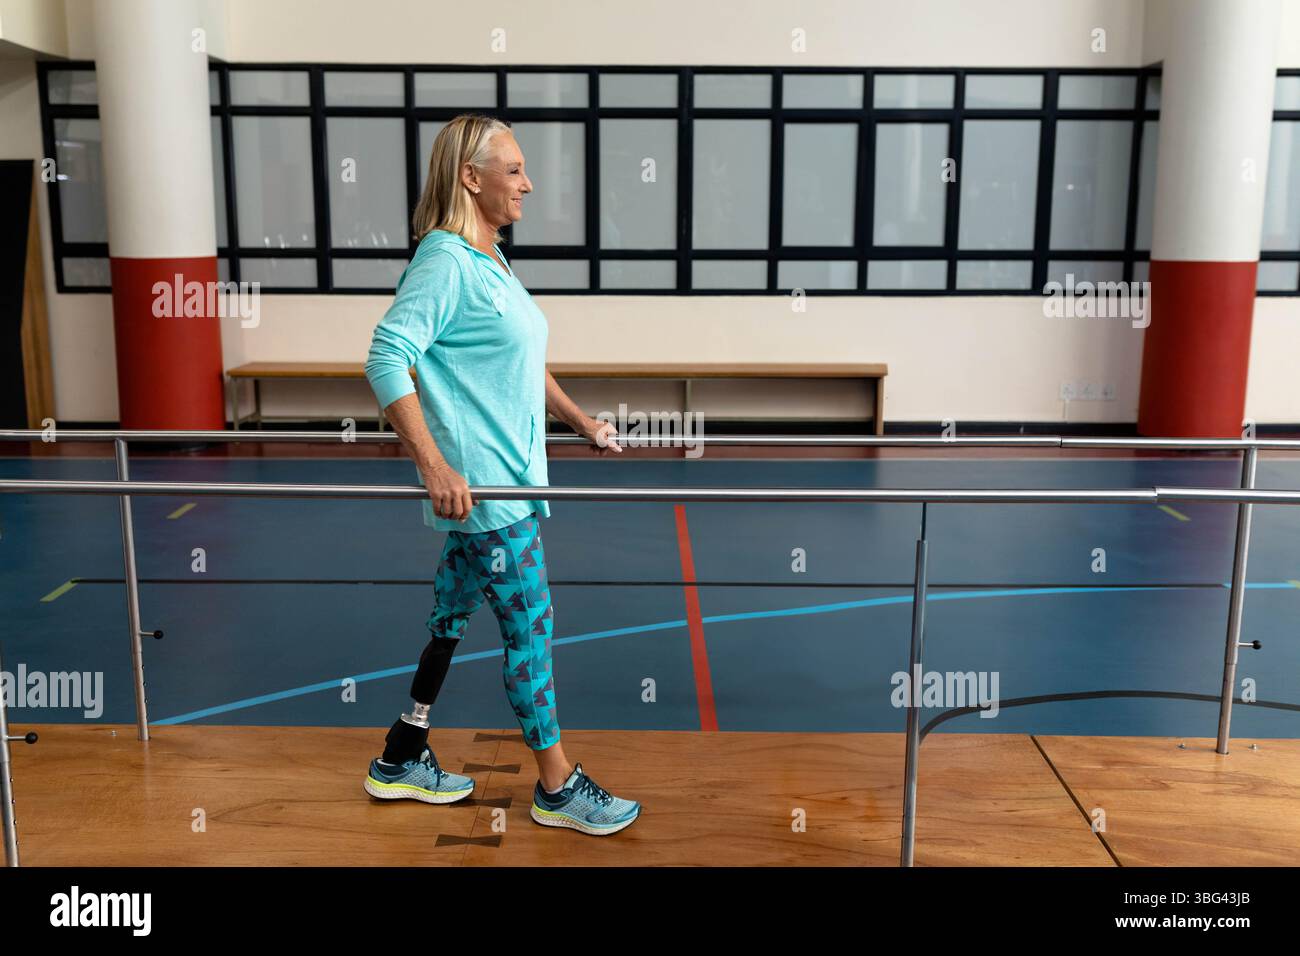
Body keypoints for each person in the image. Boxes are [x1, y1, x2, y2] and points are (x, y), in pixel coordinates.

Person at [360, 113, 641, 836]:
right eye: (513, 170)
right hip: (485, 493)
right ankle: (557, 787)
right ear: (470, 177)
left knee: (450, 618)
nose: (528, 182)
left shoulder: (490, 257)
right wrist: (435, 466)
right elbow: (387, 357)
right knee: (531, 633)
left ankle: (400, 755)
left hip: (507, 483)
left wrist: (581, 422)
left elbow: (522, 361)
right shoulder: (445, 261)